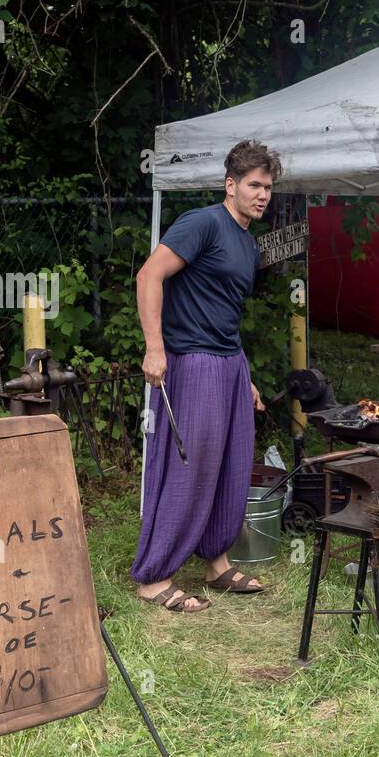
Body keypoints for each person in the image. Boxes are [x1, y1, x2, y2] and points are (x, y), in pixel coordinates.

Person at [131, 140, 280, 612]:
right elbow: (148, 277)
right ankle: (155, 578)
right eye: (253, 185)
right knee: (188, 468)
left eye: (268, 187)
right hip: (191, 362)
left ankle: (217, 564)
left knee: (233, 465)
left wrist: (246, 376)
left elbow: (227, 313)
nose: (262, 195)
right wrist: (155, 348)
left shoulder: (248, 241)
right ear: (230, 185)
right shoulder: (202, 224)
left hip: (229, 365)